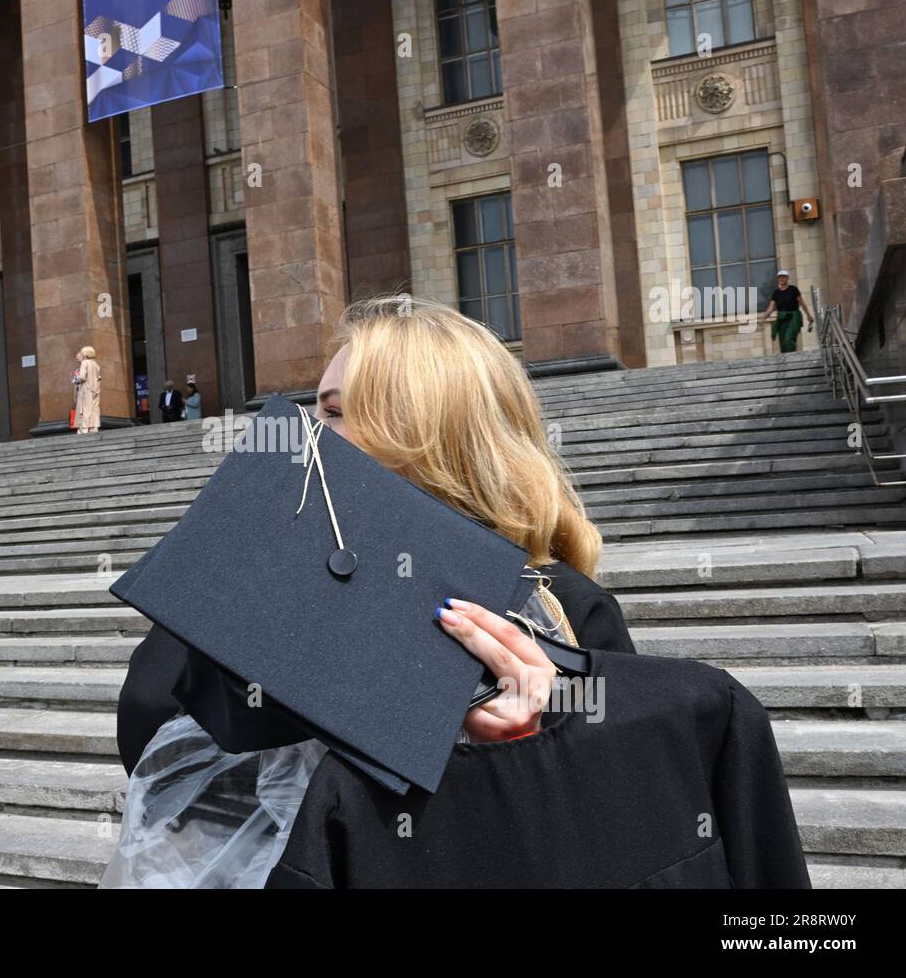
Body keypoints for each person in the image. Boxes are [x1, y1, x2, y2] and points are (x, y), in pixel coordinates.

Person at [118, 296, 633, 773]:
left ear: (435, 434)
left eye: (340, 414)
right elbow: (148, 730)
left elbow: (616, 813)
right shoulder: (254, 567)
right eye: (320, 409)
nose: (312, 436)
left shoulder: (562, 608)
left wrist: (519, 749)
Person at [760, 269, 814, 353]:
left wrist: (808, 316)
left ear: (787, 278)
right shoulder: (776, 293)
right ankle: (786, 362)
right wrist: (763, 318)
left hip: (793, 318)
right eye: (779, 277)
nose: (781, 279)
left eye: (783, 277)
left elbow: (802, 303)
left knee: (789, 339)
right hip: (782, 320)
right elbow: (771, 308)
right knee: (783, 344)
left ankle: (793, 358)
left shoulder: (793, 289)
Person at [74, 346, 101, 434]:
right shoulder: (96, 364)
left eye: (82, 353)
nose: (80, 354)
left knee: (84, 408)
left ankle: (84, 428)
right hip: (95, 390)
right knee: (94, 409)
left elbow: (82, 377)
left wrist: (75, 380)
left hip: (86, 389)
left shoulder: (84, 363)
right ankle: (94, 427)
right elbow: (99, 378)